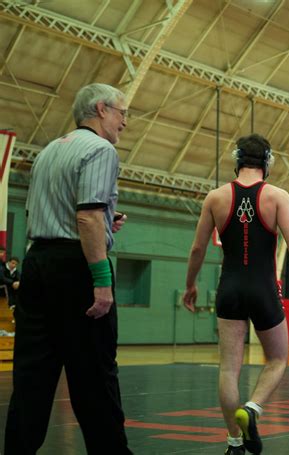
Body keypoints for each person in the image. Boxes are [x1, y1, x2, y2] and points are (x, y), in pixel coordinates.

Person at [4, 83, 133, 454]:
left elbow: (50, 212)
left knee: (32, 378)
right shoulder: (100, 150)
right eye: (122, 112)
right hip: (75, 268)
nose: (125, 122)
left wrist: (108, 220)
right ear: (101, 109)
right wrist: (102, 280)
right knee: (95, 376)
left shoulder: (49, 151)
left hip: (37, 264)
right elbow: (88, 217)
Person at [183, 133, 289, 455]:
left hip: (230, 288)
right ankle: (252, 409)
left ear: (237, 160)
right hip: (263, 288)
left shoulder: (215, 197)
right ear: (267, 163)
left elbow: (198, 247)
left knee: (228, 369)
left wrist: (191, 284)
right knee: (278, 359)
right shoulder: (277, 196)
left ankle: (234, 442)